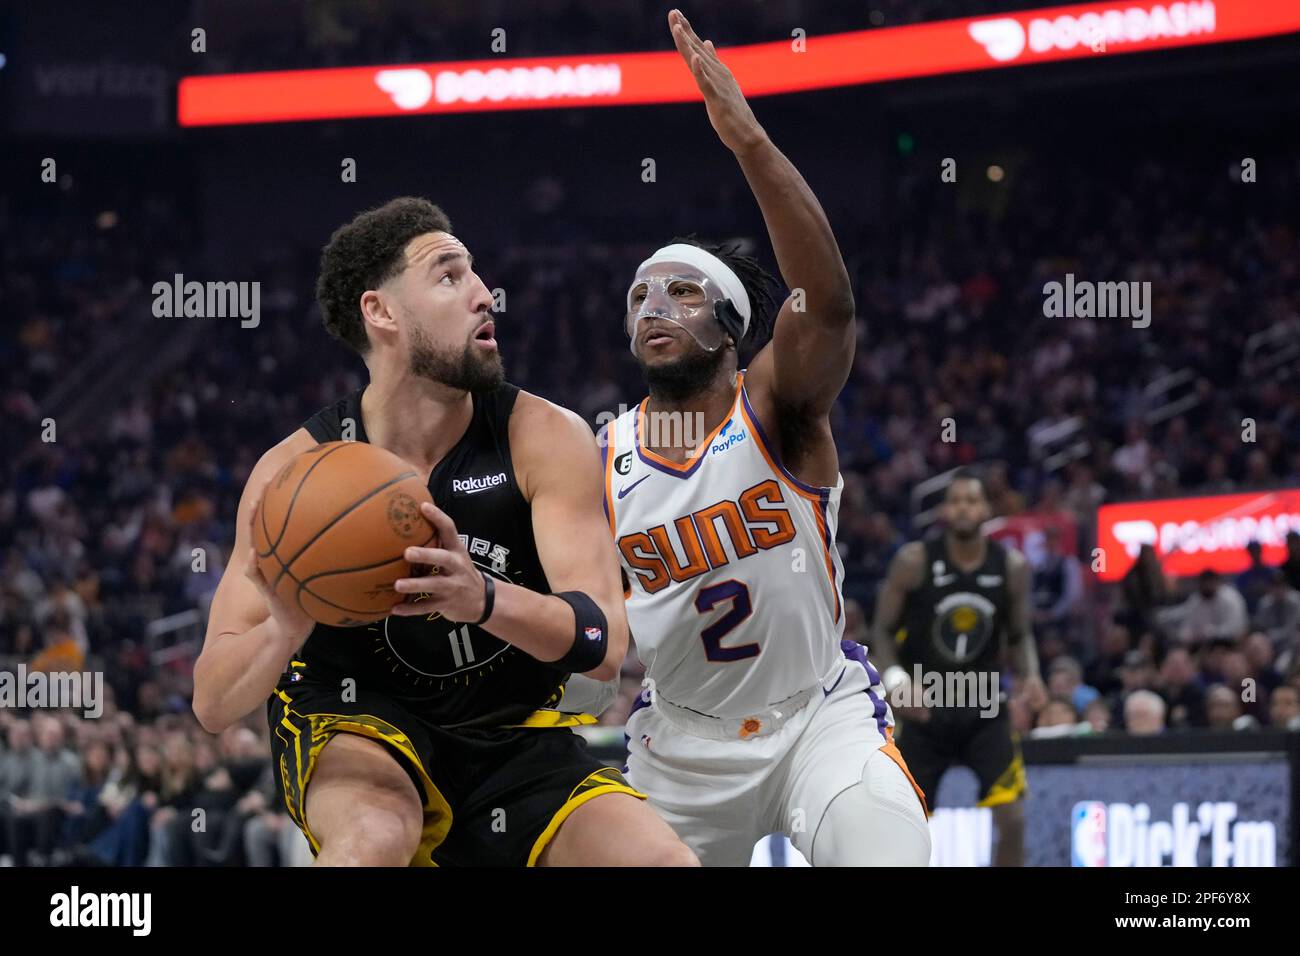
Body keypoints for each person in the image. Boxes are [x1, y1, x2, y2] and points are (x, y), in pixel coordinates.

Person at [193, 198, 695, 868]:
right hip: (357, 722)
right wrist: (282, 627)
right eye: (449, 276)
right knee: (376, 836)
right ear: (382, 313)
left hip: (512, 735)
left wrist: (480, 597)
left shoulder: (543, 436)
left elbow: (603, 642)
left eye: (477, 275)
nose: (486, 296)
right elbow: (213, 703)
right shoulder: (293, 475)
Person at [603, 11, 929, 867]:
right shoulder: (597, 453)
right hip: (679, 743)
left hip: (816, 716)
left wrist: (748, 144)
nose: (653, 308)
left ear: (730, 326)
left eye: (678, 291)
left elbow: (829, 305)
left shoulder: (778, 406)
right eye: (639, 297)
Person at [871, 470, 1046, 866]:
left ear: (986, 509)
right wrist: (897, 681)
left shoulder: (1011, 567)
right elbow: (881, 629)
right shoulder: (913, 561)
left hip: (984, 708)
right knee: (901, 824)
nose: (963, 507)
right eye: (955, 500)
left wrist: (1031, 675)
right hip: (923, 710)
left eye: (971, 499)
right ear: (945, 511)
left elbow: (1019, 635)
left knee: (1014, 818)